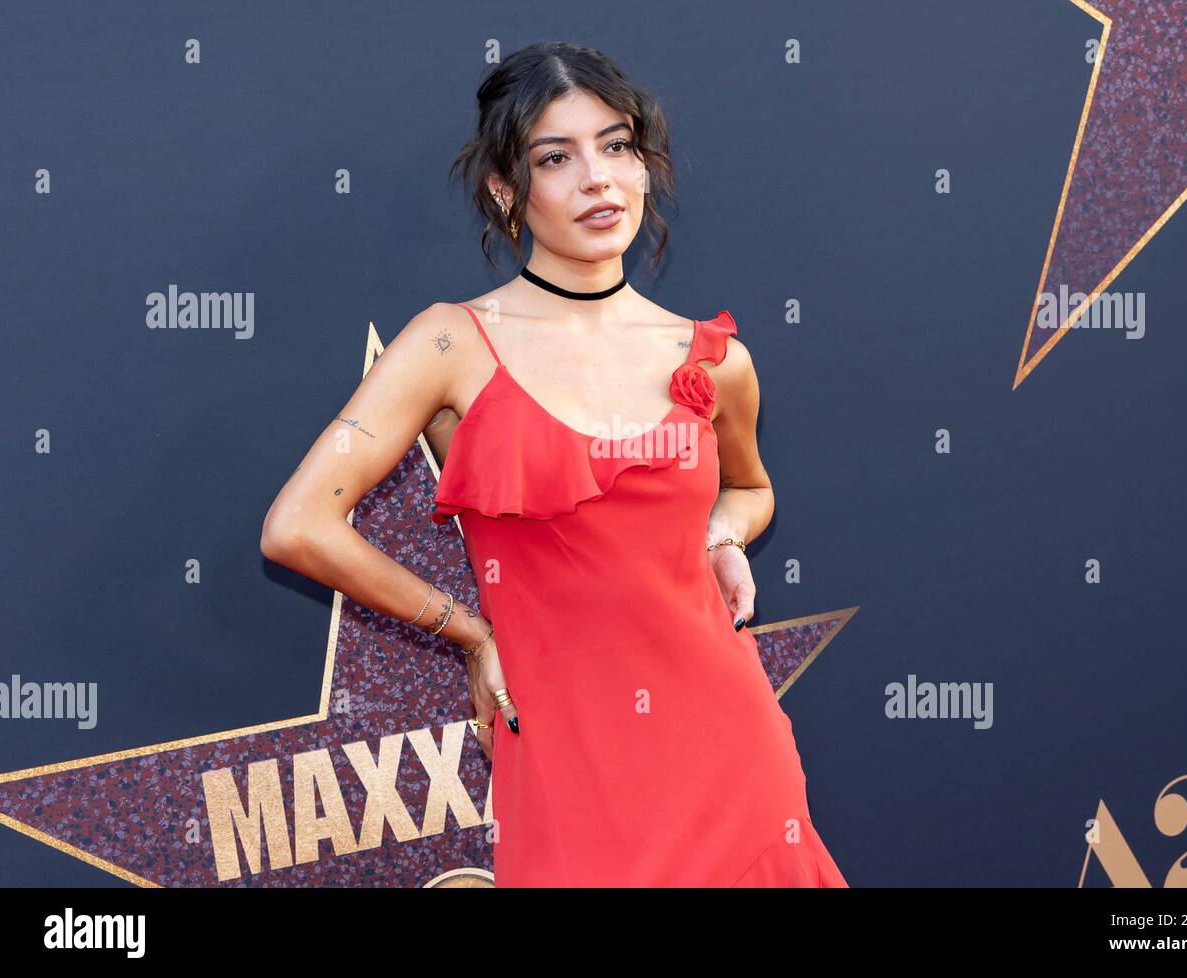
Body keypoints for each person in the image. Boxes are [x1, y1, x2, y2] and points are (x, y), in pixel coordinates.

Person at [261, 40, 848, 887]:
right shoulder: (449, 343)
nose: (598, 179)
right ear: (507, 191)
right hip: (566, 750)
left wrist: (721, 534)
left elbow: (751, 489)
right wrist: (467, 634)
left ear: (645, 168)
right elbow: (297, 526)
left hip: (727, 736)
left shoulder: (715, 358)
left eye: (616, 147)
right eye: (556, 158)